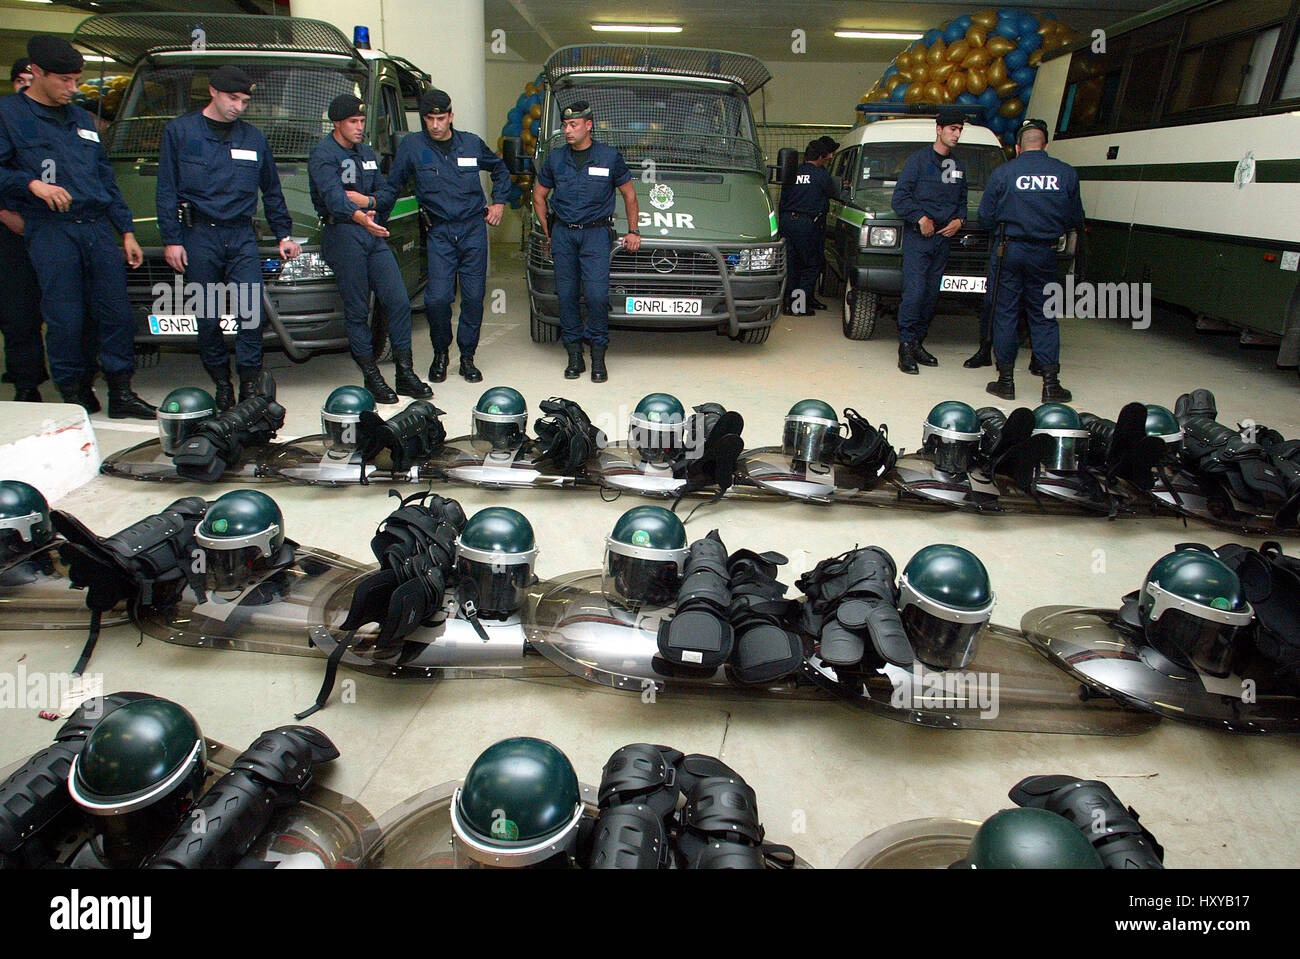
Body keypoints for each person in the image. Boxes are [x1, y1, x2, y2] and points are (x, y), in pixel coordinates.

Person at [0, 36, 153, 418]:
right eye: (64, 80)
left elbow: (106, 178)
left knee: (115, 312)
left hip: (98, 227)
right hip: (51, 228)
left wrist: (127, 230)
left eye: (76, 80)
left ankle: (121, 391)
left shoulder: (83, 119)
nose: (73, 88)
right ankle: (75, 393)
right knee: (65, 317)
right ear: (36, 73)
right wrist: (31, 184)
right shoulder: (9, 114)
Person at [156, 64, 300, 410]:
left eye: (244, 101)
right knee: (207, 316)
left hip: (240, 236)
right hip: (199, 235)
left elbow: (272, 189)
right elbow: (166, 190)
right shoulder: (180, 132)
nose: (238, 106)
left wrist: (284, 233)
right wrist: (172, 239)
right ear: (213, 92)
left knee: (250, 313)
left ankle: (249, 380)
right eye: (232, 98)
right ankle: (221, 381)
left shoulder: (252, 137)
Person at [376, 88, 509, 384]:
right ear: (423, 119)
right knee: (437, 299)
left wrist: (499, 202)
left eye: (441, 118)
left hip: (473, 228)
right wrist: (375, 220)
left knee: (473, 298)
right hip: (439, 233)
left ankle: (467, 358)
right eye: (429, 119)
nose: (435, 125)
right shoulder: (413, 147)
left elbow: (500, 169)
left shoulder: (471, 144)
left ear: (451, 116)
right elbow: (391, 187)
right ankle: (440, 352)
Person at [308, 94, 430, 403]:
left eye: (362, 121)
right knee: (358, 309)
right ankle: (371, 376)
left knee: (398, 301)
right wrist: (362, 215)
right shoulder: (324, 154)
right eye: (353, 122)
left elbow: (386, 191)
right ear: (337, 124)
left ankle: (404, 372)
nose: (360, 127)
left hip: (372, 232)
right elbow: (335, 198)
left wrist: (368, 203)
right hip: (344, 234)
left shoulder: (367, 153)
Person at [532, 99, 640, 383]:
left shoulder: (608, 157)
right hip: (564, 234)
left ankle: (598, 358)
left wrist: (633, 231)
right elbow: (539, 195)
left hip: (595, 234)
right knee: (566, 295)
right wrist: (548, 230)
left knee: (596, 296)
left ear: (588, 125)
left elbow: (629, 194)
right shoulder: (555, 158)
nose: (567, 130)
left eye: (573, 125)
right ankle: (574, 356)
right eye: (565, 125)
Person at [977, 117, 1084, 403]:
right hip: (1045, 252)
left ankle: (1006, 381)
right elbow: (1075, 217)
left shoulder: (1003, 173)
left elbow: (985, 217)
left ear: (1017, 147)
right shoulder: (1066, 173)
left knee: (1006, 314)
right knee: (1045, 315)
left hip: (1009, 251)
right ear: (1046, 145)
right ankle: (1050, 385)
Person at [891, 107, 968, 375]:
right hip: (918, 240)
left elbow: (962, 201)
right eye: (952, 129)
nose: (957, 134)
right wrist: (920, 217)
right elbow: (900, 198)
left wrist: (960, 220)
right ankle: (905, 346)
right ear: (939, 129)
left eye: (960, 129)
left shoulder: (958, 165)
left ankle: (917, 342)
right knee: (915, 293)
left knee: (931, 295)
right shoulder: (919, 161)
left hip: (942, 241)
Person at [778, 139, 836, 316]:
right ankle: (798, 306)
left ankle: (790, 303)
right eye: (829, 153)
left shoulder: (792, 172)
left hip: (788, 221)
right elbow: (833, 194)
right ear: (820, 156)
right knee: (810, 265)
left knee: (792, 263)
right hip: (807, 224)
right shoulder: (822, 176)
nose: (831, 156)